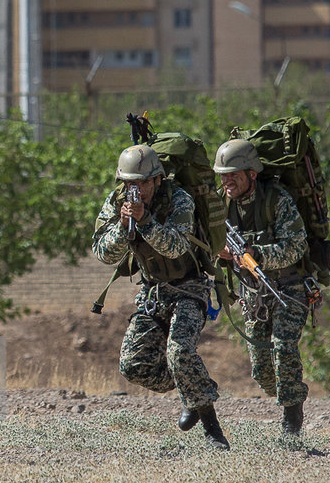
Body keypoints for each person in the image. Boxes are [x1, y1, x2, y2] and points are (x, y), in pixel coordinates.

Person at [92, 144, 229, 450]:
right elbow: (101, 251)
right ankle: (193, 385)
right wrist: (124, 227)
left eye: (141, 182)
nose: (135, 189)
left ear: (156, 180)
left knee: (179, 352)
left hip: (189, 288)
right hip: (153, 293)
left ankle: (213, 431)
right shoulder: (118, 203)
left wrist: (146, 223)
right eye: (129, 183)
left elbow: (176, 246)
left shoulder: (180, 199)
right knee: (133, 365)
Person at [212, 139, 309, 435]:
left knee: (284, 349)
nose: (227, 180)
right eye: (223, 175)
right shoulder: (220, 205)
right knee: (263, 371)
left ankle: (292, 419)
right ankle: (284, 394)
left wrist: (259, 255)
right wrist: (220, 251)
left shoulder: (276, 201)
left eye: (234, 174)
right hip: (253, 294)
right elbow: (203, 240)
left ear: (252, 174)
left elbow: (297, 245)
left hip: (288, 287)